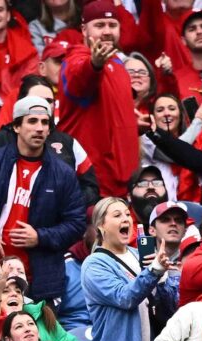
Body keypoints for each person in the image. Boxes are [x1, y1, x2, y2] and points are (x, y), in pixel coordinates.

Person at [0, 96, 87, 307]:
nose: (40, 128)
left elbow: (77, 223)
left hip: (39, 278)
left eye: (45, 123)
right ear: (16, 126)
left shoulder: (62, 174)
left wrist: (40, 236)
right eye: (32, 121)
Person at [79, 195, 172, 341]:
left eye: (127, 214)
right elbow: (125, 297)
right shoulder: (94, 264)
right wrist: (152, 272)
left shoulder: (140, 254)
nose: (126, 219)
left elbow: (168, 302)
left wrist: (162, 278)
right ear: (101, 225)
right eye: (117, 215)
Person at [53, 2, 139, 202]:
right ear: (84, 29)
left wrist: (134, 125)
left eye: (112, 25)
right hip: (92, 182)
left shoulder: (118, 63)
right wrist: (95, 65)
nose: (107, 31)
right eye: (100, 25)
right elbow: (81, 80)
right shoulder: (76, 59)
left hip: (122, 180)